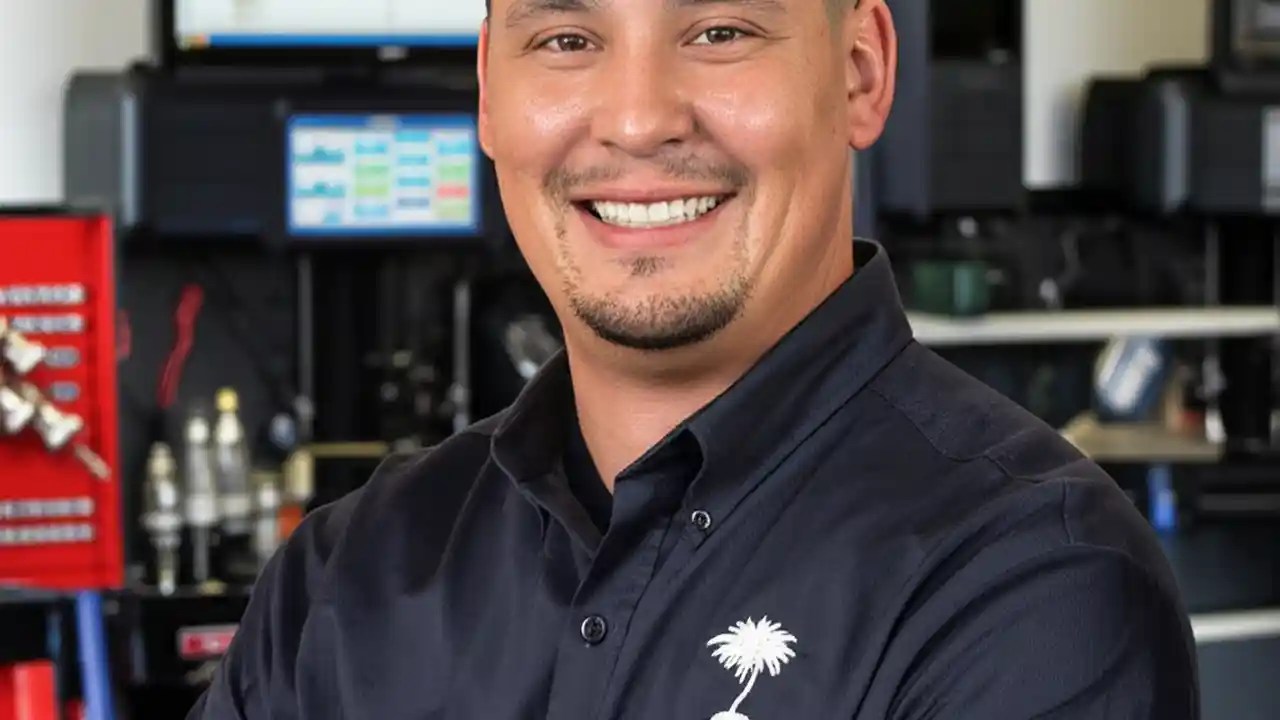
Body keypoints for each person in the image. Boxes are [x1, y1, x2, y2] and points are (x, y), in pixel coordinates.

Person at [189, 0, 1199, 717]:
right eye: (566, 38)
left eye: (720, 31)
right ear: (490, 91)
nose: (637, 119)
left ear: (860, 71)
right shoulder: (345, 577)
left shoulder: (1032, 590)